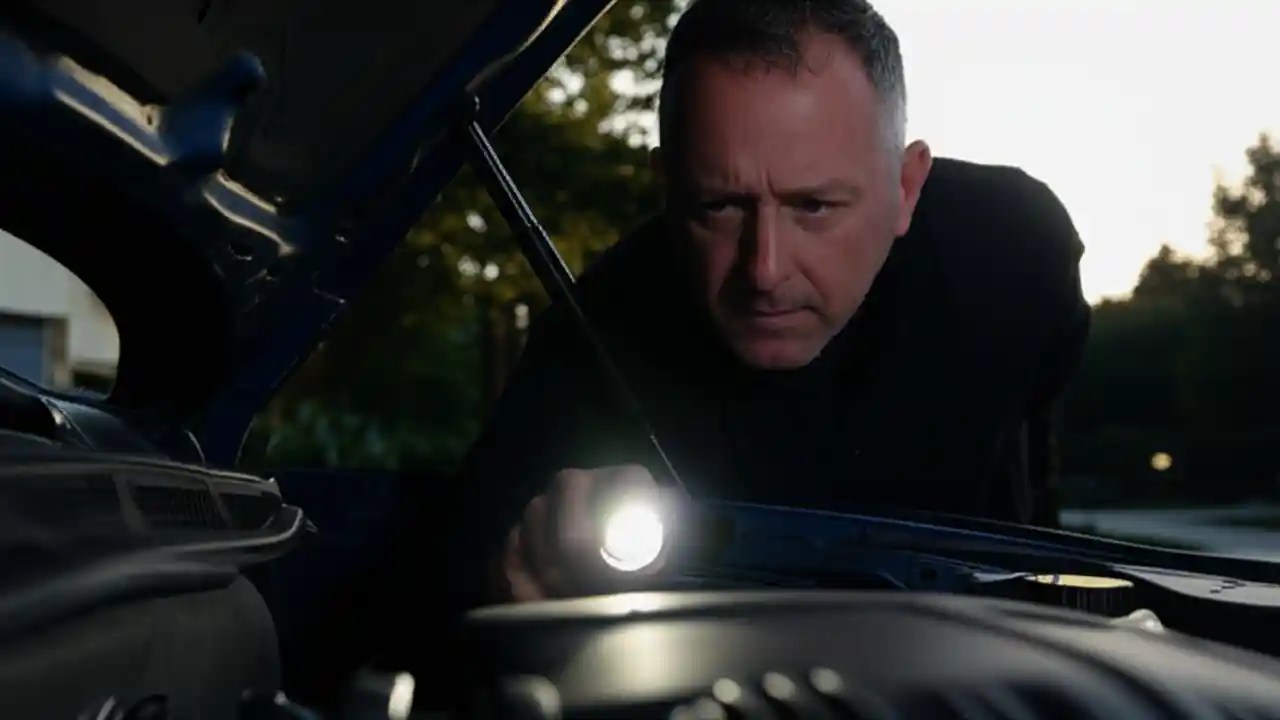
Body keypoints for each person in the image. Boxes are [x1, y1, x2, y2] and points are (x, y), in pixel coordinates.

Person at [444, 0, 1091, 606]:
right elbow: (444, 574)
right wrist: (516, 576)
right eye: (720, 206)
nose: (765, 270)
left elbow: (1037, 455)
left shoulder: (1017, 255)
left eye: (813, 206)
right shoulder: (593, 329)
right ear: (665, 189)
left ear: (907, 185)